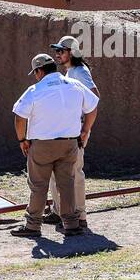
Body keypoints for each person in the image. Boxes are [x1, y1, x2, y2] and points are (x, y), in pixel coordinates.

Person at [10, 53, 99, 238]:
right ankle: (72, 224)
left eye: (35, 72)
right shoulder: (74, 85)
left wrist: (22, 140)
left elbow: (19, 116)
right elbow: (93, 106)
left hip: (42, 146)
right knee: (66, 184)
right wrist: (85, 130)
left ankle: (33, 226)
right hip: (70, 144)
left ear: (39, 71)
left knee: (38, 186)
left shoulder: (35, 90)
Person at [42, 34, 99, 229]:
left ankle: (79, 215)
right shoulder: (70, 71)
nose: (57, 54)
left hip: (75, 130)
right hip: (69, 129)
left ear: (71, 53)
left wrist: (85, 128)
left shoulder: (78, 71)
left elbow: (94, 97)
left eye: (61, 51)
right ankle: (60, 211)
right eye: (56, 51)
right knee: (61, 173)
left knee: (74, 173)